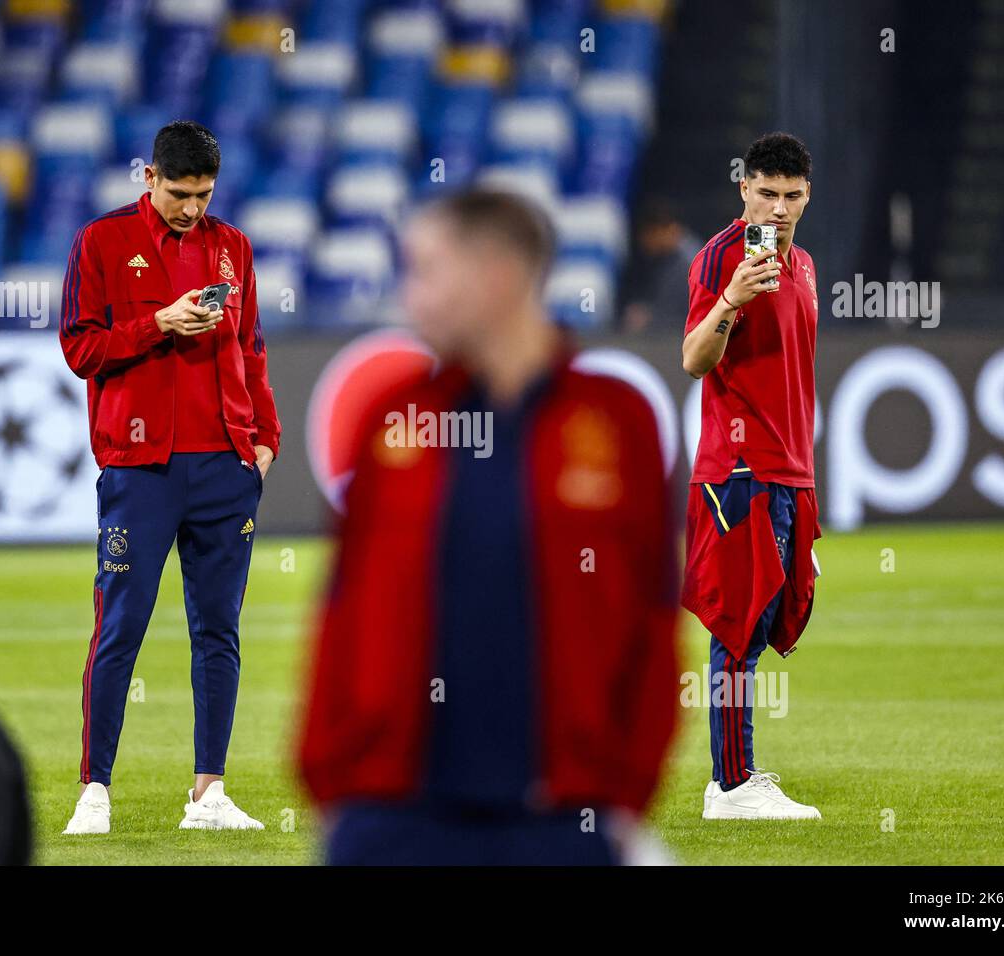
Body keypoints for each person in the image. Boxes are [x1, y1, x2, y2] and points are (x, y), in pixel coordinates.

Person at [298, 188, 681, 865]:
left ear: (496, 276)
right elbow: (342, 607)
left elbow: (652, 621)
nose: (408, 296)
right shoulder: (393, 418)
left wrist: (623, 795)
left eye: (425, 270)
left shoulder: (618, 422)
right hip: (393, 816)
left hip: (562, 819)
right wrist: (334, 787)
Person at [58, 120, 280, 834]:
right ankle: (96, 791)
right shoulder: (101, 243)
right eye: (180, 193)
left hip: (225, 468)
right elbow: (80, 348)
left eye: (204, 195)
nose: (192, 208)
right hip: (139, 470)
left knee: (219, 629)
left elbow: (250, 348)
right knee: (119, 624)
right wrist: (159, 323)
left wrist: (265, 439)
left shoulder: (233, 248)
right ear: (148, 177)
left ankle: (208, 794)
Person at [681, 132, 823, 820]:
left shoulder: (806, 266)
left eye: (792, 195)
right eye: (767, 193)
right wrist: (730, 301)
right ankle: (731, 785)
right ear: (743, 188)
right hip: (739, 468)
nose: (779, 208)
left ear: (807, 194)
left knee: (766, 621)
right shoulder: (721, 258)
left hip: (787, 467)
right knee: (738, 626)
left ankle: (736, 776)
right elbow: (693, 359)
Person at [618, 197, 702, 332]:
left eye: (648, 235)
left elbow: (681, 316)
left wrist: (648, 319)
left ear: (663, 230)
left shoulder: (686, 263)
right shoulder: (671, 256)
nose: (645, 243)